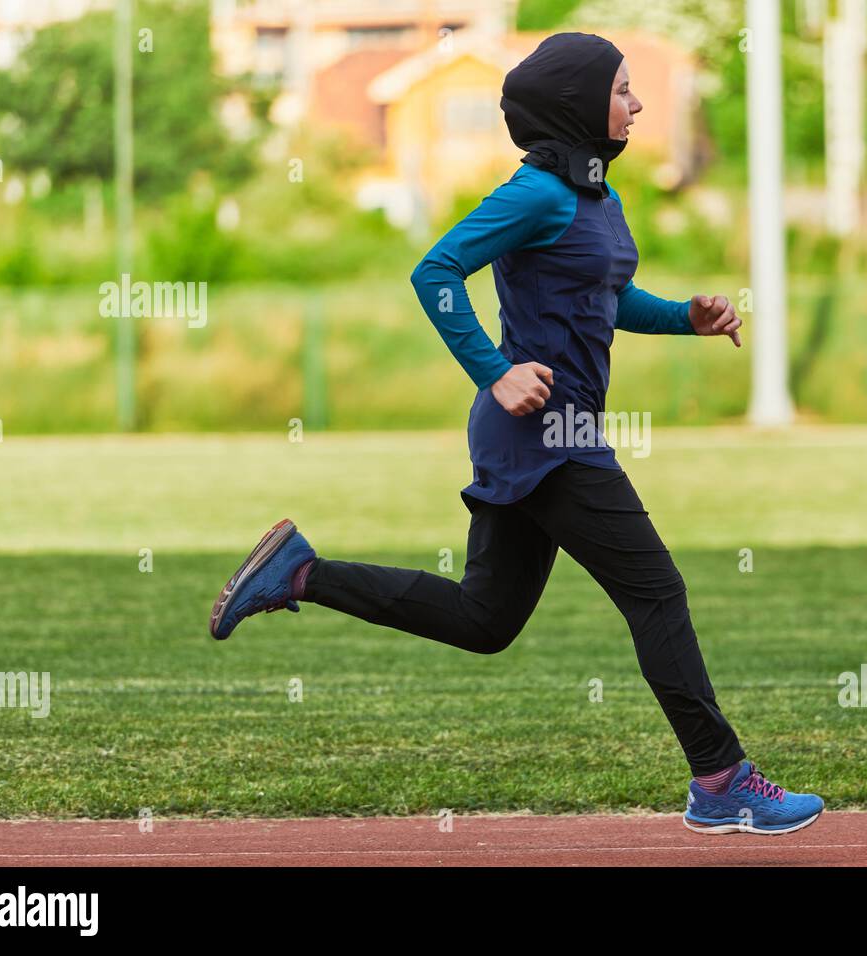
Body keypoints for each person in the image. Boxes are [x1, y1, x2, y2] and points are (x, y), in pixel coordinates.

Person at [209, 32, 824, 835]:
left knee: (485, 621)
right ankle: (721, 779)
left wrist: (685, 318)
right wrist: (494, 369)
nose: (637, 104)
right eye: (622, 90)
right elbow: (434, 270)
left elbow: (609, 299)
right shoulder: (536, 193)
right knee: (657, 593)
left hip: (543, 437)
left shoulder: (598, 197)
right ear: (575, 105)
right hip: (544, 436)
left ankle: (301, 575)